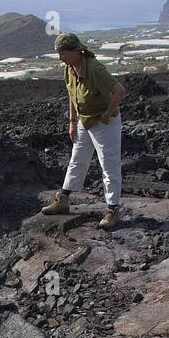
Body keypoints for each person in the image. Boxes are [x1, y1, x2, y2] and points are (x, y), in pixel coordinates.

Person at [43, 32, 126, 229]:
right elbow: (72, 95)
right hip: (84, 120)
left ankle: (113, 210)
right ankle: (63, 198)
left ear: (75, 51)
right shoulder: (69, 69)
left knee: (109, 164)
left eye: (62, 53)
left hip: (104, 122)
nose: (60, 57)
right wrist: (72, 122)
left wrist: (107, 114)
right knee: (77, 159)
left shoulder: (95, 68)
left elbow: (120, 91)